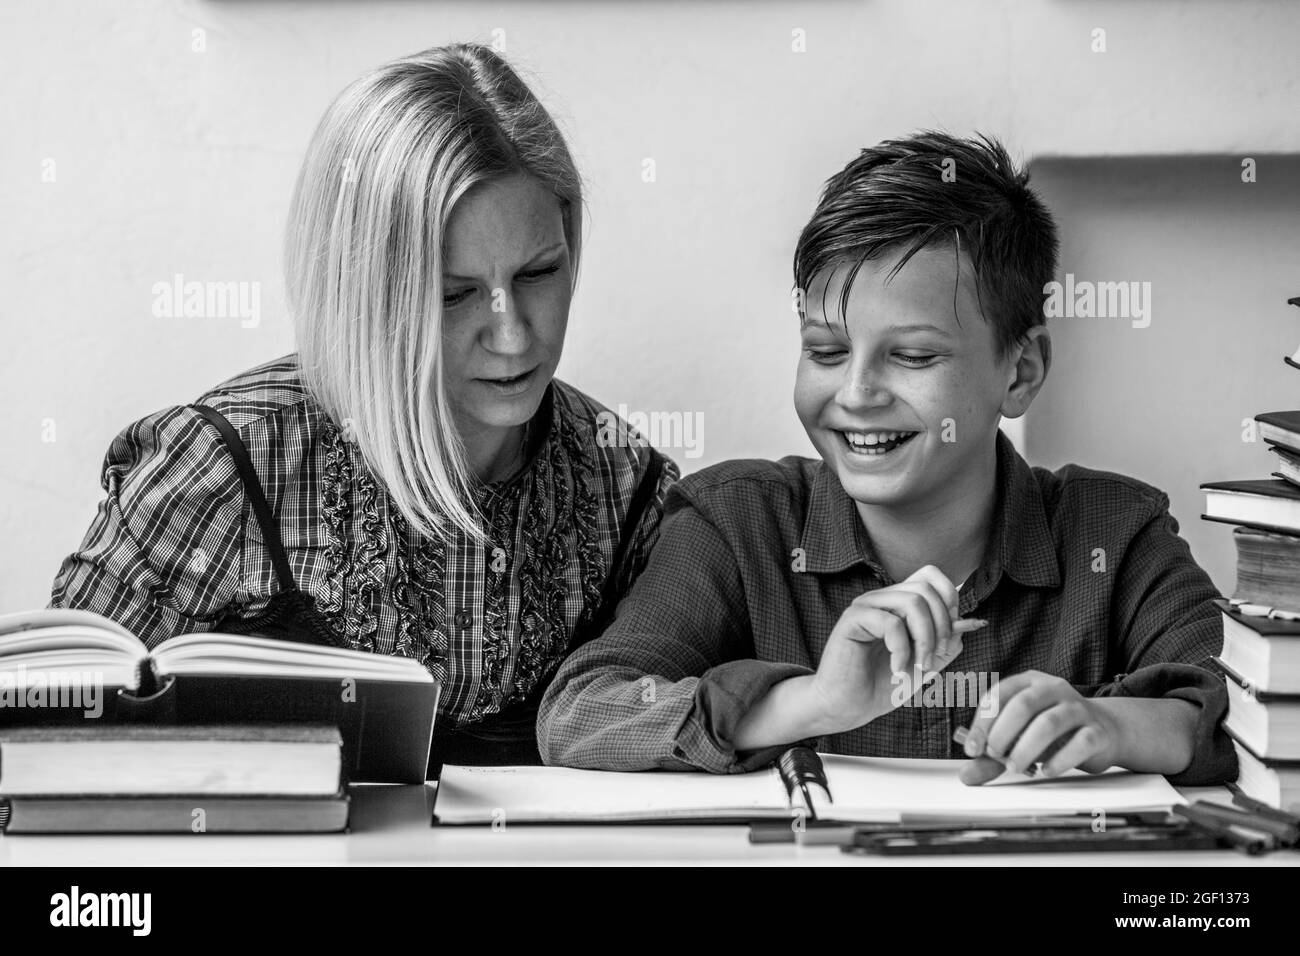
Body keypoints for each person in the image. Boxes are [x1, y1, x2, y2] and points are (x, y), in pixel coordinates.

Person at [49, 43, 678, 771]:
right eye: (454, 293)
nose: (512, 336)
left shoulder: (625, 485)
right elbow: (46, 738)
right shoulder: (224, 467)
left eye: (539, 273)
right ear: (362, 291)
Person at [537, 131, 1236, 787]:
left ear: (1019, 372)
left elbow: (1253, 714)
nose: (857, 394)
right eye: (826, 351)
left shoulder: (1115, 533)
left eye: (913, 356)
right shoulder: (736, 523)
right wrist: (812, 703)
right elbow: (580, 717)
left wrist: (1114, 725)